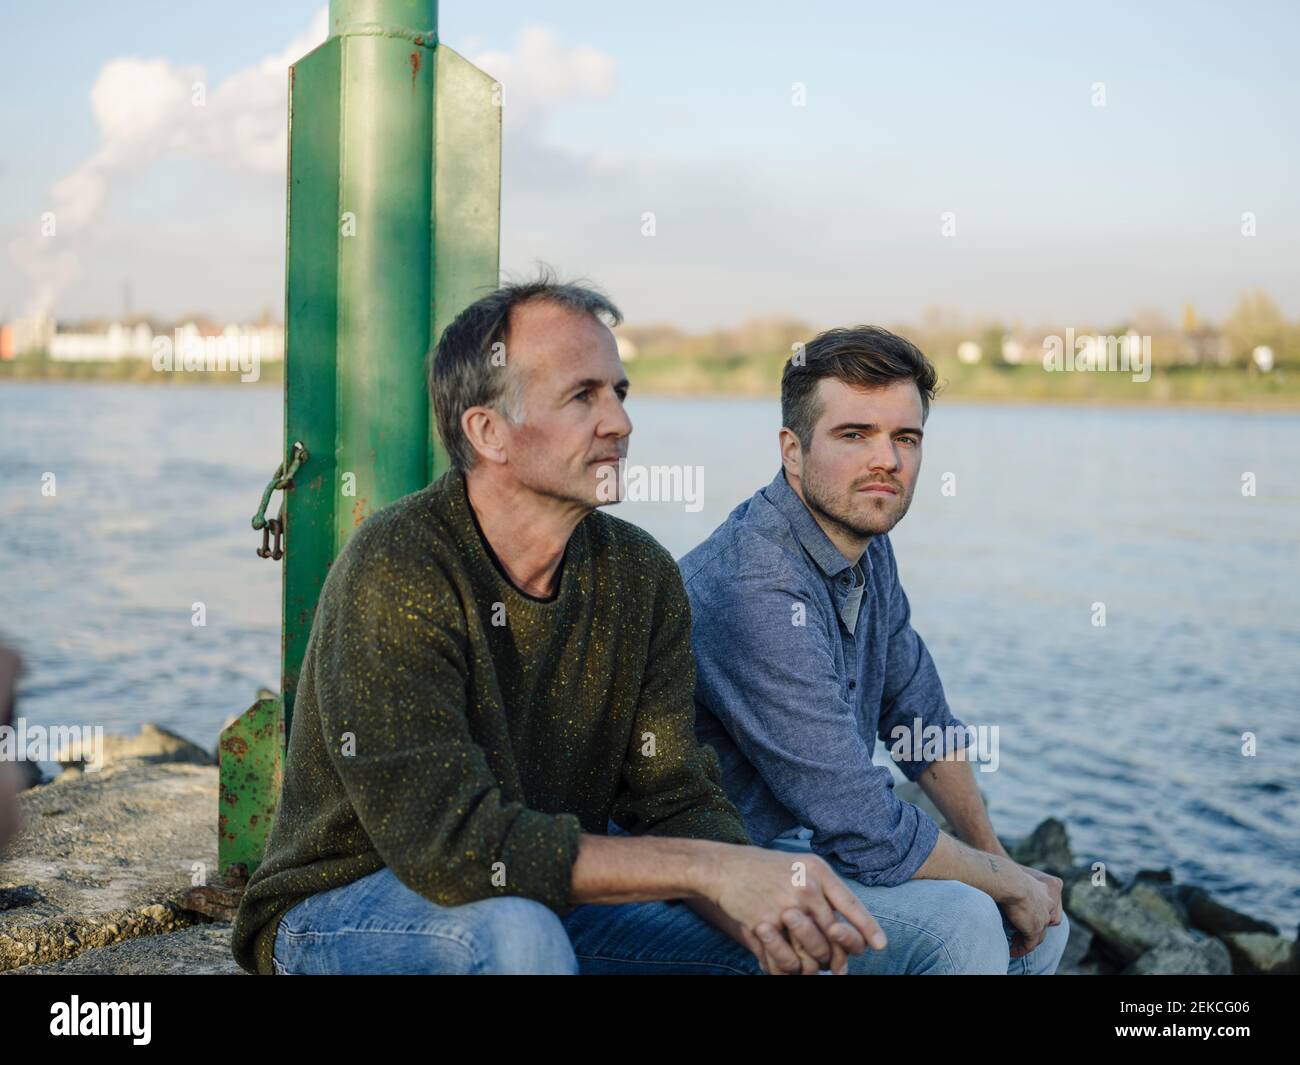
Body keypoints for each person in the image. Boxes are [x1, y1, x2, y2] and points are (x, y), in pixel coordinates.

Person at [230, 274, 884, 975]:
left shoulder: (640, 574)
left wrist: (757, 905)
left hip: (542, 896)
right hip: (344, 906)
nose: (620, 423)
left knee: (804, 948)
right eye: (583, 396)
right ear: (488, 431)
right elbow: (452, 847)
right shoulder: (400, 564)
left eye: (619, 392)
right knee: (515, 935)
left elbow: (676, 797)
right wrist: (704, 867)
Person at [679, 326, 1070, 974]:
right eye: (854, 434)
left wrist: (1000, 861)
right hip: (709, 875)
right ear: (793, 450)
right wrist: (1000, 882)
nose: (885, 459)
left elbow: (917, 715)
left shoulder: (865, 542)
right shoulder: (754, 585)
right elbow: (861, 823)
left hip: (799, 845)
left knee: (1042, 923)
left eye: (905, 438)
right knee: (966, 926)